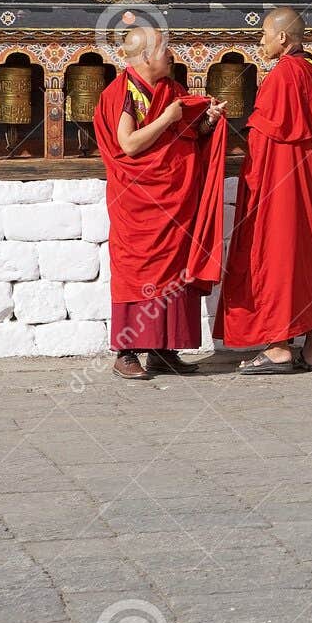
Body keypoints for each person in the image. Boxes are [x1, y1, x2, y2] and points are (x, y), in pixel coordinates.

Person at [94, 24, 228, 381]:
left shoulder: (172, 89)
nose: (171, 55)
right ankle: (126, 352)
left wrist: (208, 122)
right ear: (146, 56)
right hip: (139, 202)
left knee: (173, 273)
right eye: (165, 49)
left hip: (175, 200)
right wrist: (168, 117)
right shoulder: (122, 92)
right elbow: (129, 144)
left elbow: (188, 133)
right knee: (137, 272)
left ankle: (164, 351)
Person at [214, 6, 312, 374]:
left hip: (279, 186)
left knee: (278, 257)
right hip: (309, 184)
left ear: (282, 37)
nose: (261, 41)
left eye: (264, 34)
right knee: (309, 257)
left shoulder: (283, 75)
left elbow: (266, 139)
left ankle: (279, 348)